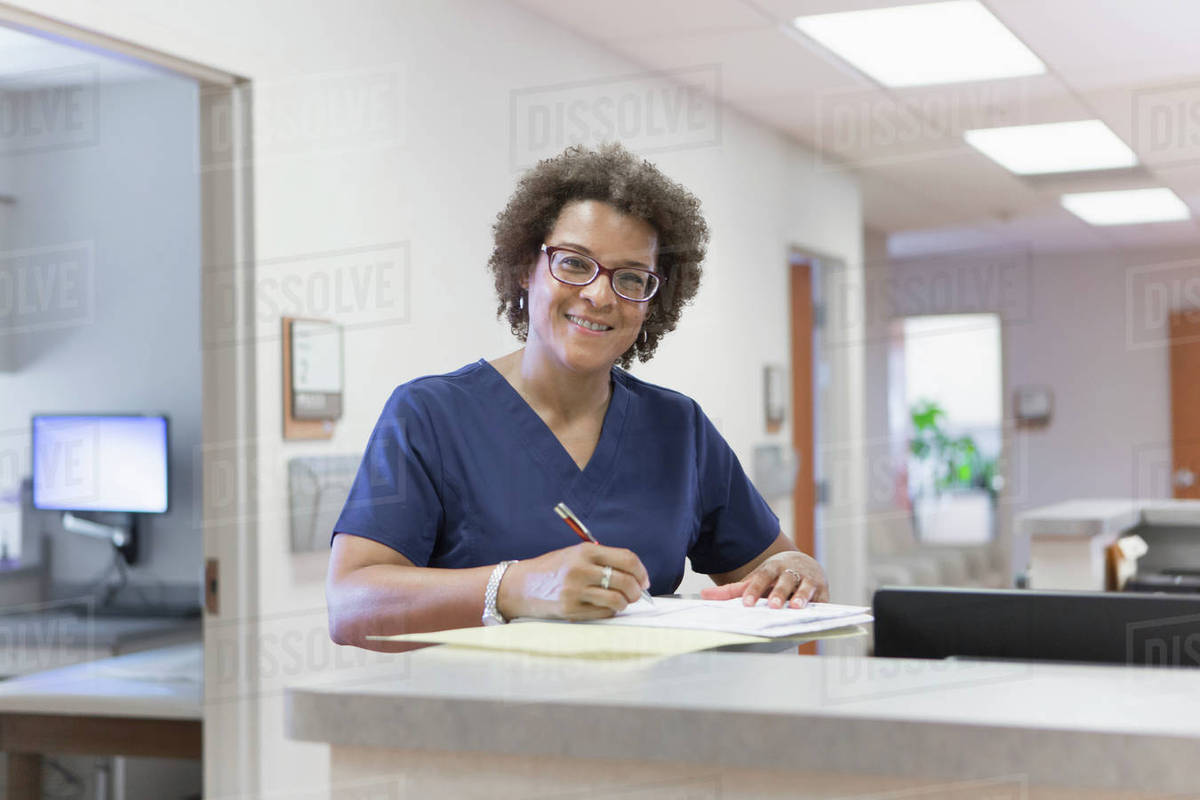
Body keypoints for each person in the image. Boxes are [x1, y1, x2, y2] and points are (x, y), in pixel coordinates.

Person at [327, 143, 828, 649]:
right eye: (573, 263)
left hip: (653, 719)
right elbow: (350, 606)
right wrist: (514, 587)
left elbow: (768, 570)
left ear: (655, 302)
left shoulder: (679, 429)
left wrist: (793, 570)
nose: (600, 295)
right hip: (477, 723)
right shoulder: (430, 416)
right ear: (527, 267)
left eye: (631, 277)